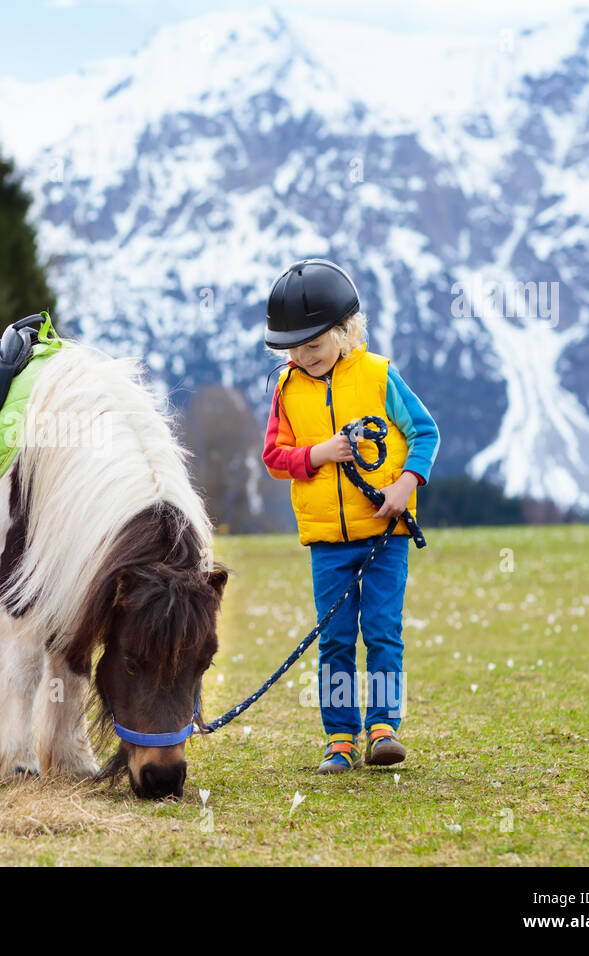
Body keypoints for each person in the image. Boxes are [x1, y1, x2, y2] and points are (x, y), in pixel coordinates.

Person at [261, 259, 439, 774]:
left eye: (313, 345)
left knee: (382, 630)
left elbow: (425, 433)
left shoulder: (380, 376)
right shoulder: (287, 390)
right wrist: (319, 454)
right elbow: (276, 458)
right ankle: (339, 737)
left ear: (345, 332)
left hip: (385, 535)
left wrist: (406, 485)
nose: (301, 356)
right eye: (292, 347)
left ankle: (383, 728)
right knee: (336, 638)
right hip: (327, 544)